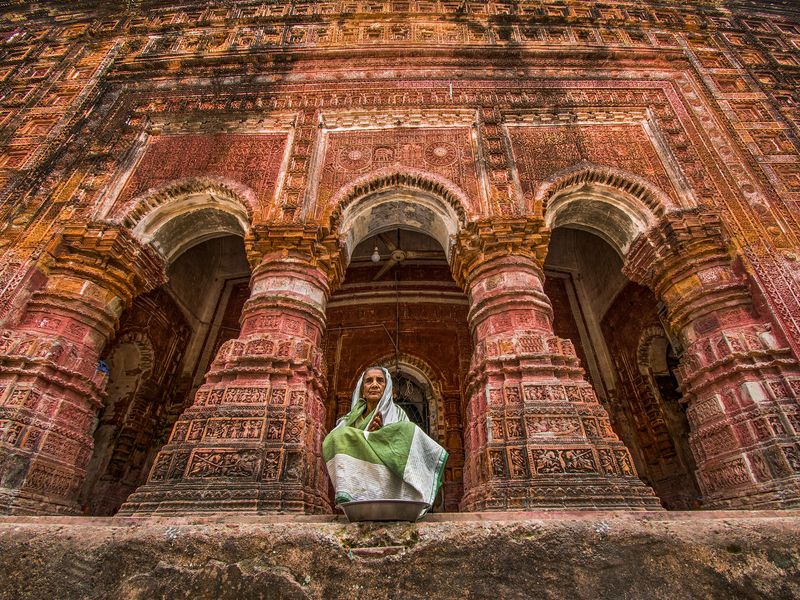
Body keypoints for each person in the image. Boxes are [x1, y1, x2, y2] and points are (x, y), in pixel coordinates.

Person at [322, 366, 448, 512]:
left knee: (408, 429)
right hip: (362, 475)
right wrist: (366, 436)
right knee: (339, 435)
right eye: (369, 381)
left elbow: (403, 448)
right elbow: (334, 441)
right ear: (362, 389)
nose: (374, 384)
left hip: (390, 474)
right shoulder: (350, 419)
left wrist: (382, 436)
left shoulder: (398, 414)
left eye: (380, 381)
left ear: (386, 387)